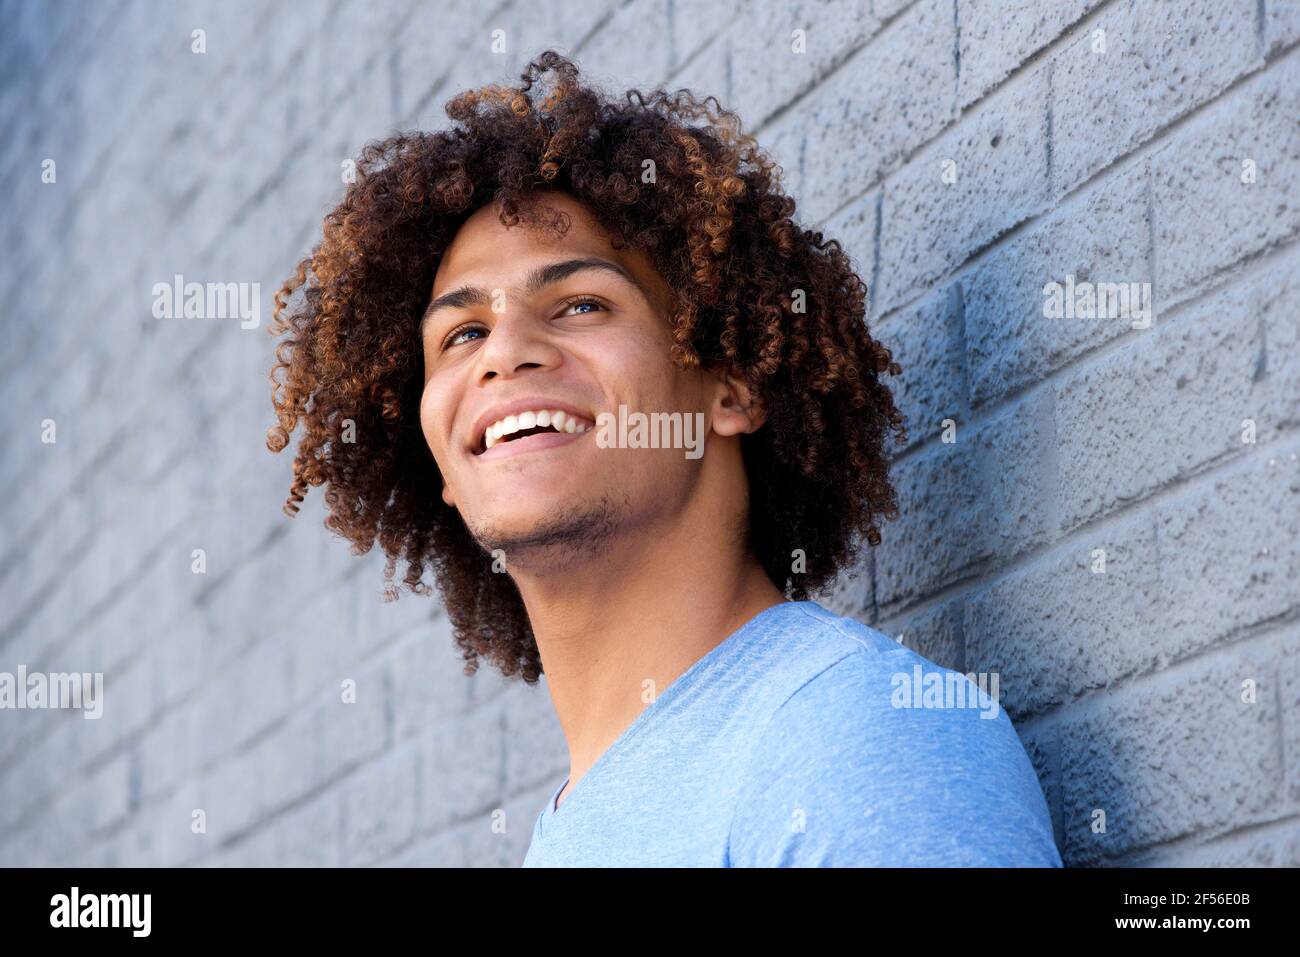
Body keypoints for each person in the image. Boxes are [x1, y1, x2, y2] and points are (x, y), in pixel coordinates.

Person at [266, 50, 1062, 868]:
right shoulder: (572, 828)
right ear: (438, 456)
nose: (503, 354)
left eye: (580, 303)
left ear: (732, 384)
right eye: (461, 334)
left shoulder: (860, 741)